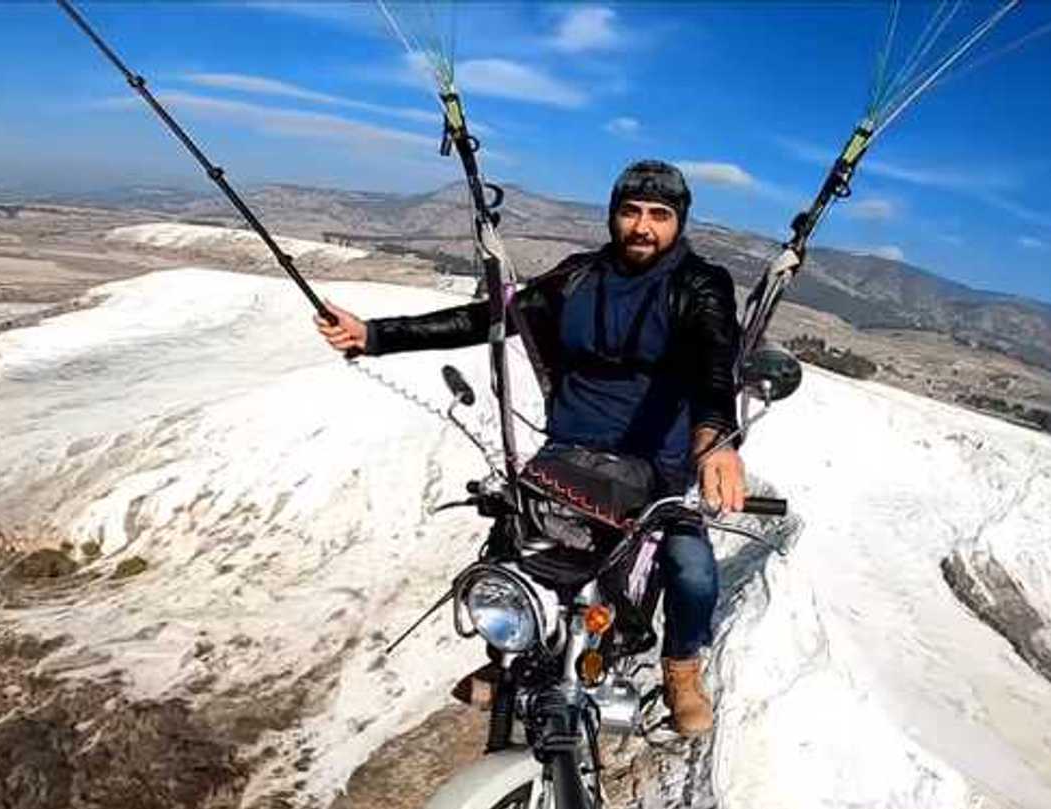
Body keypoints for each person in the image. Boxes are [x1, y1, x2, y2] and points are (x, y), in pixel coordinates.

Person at [314, 160, 745, 736]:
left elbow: (717, 358)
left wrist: (716, 438)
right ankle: (510, 658)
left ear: (679, 223)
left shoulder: (699, 284)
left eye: (659, 216)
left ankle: (681, 670)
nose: (643, 226)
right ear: (613, 215)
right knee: (510, 544)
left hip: (656, 472)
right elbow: (489, 318)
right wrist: (377, 336)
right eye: (631, 211)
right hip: (569, 456)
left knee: (692, 572)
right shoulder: (577, 277)